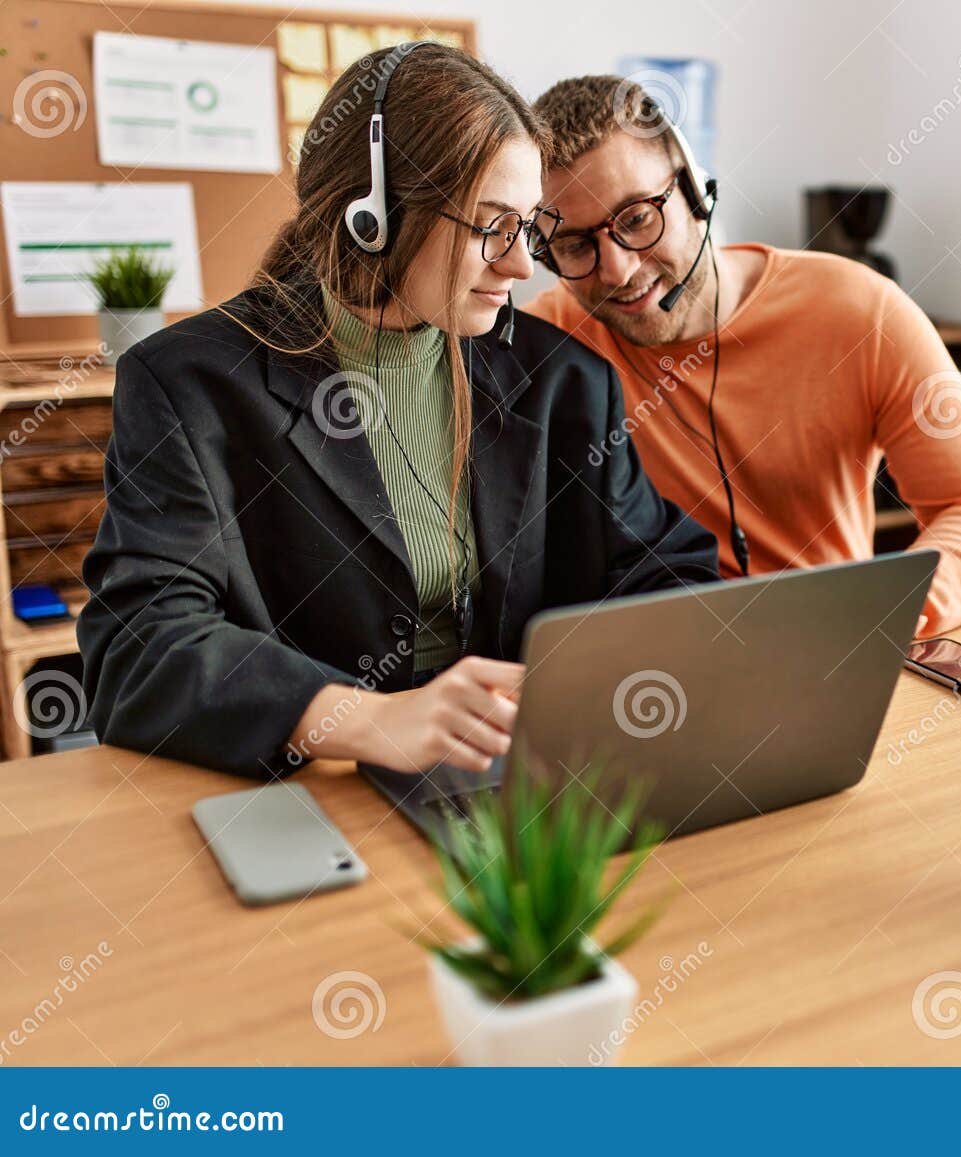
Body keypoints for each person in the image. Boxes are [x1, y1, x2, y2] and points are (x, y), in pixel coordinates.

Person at [77, 44, 720, 781]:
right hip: (312, 791)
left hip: (524, 783)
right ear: (372, 219)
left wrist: (589, 686)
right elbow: (139, 648)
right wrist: (370, 718)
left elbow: (669, 570)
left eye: (527, 229)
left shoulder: (562, 379)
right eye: (490, 227)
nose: (519, 268)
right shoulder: (189, 382)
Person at [527, 75, 961, 636]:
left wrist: (879, 616)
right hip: (653, 674)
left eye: (637, 218)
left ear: (695, 189)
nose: (618, 269)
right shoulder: (542, 344)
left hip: (832, 650)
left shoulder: (860, 310)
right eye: (576, 245)